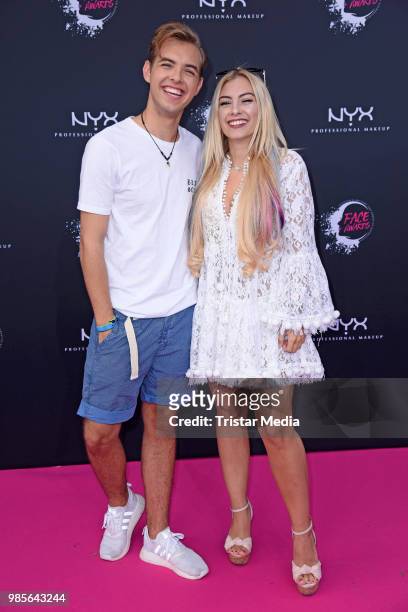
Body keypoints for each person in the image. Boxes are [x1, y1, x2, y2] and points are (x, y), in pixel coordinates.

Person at [187, 67, 339, 594]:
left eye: (246, 100)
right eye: (225, 101)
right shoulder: (209, 169)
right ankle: (240, 515)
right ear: (215, 113)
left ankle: (303, 535)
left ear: (262, 107)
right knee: (228, 423)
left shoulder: (285, 165)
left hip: (269, 316)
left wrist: (295, 313)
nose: (235, 110)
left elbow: (301, 245)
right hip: (219, 314)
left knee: (275, 431)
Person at [76, 21, 209, 580]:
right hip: (124, 320)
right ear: (148, 71)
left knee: (162, 426)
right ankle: (120, 505)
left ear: (197, 86)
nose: (177, 78)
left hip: (181, 316)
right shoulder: (107, 146)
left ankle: (158, 535)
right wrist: (106, 320)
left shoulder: (199, 150)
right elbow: (91, 240)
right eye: (168, 66)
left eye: (190, 71)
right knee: (99, 434)